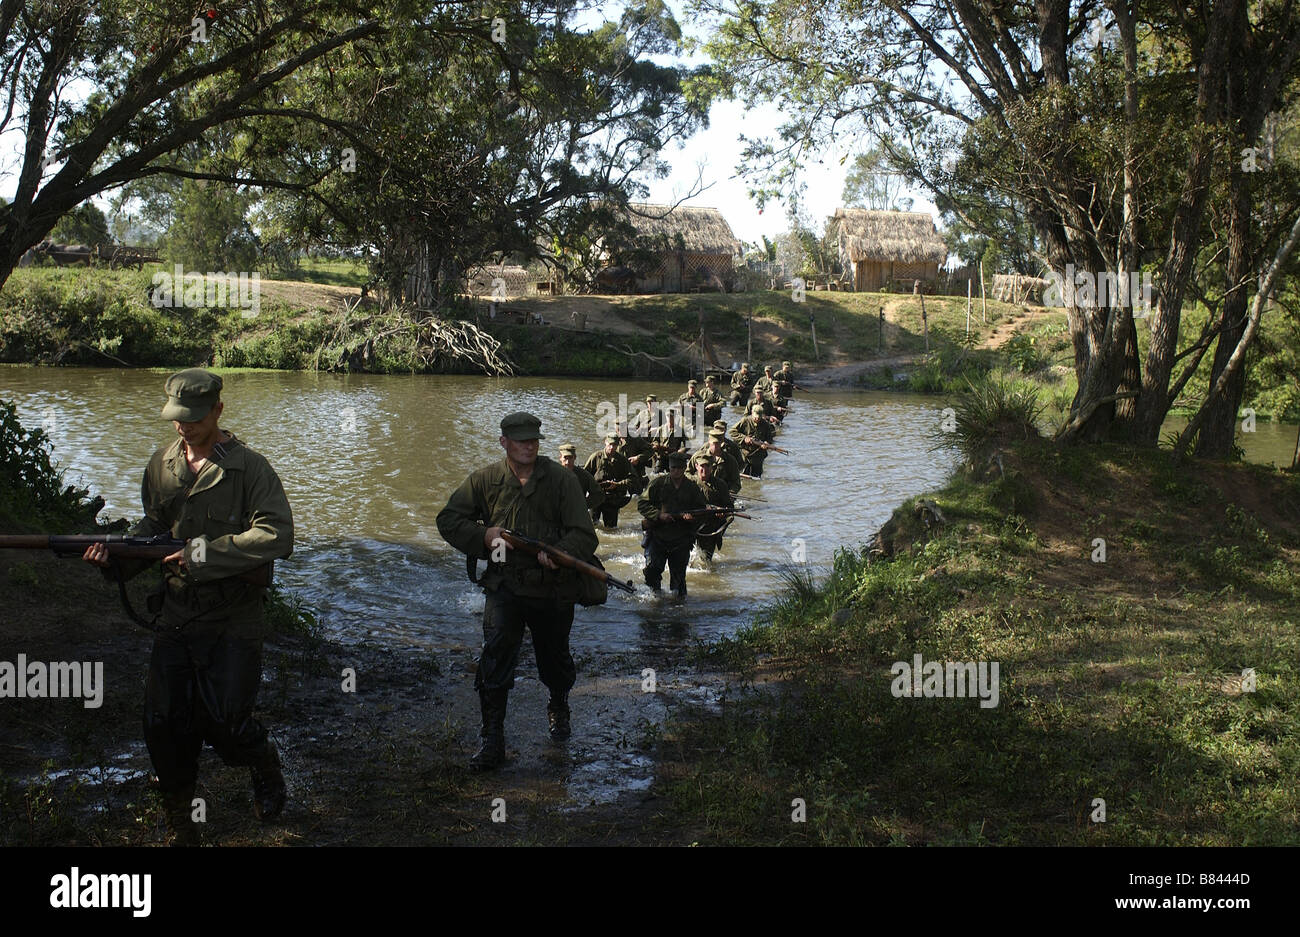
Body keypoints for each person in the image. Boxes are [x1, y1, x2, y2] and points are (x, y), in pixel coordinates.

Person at [82, 368, 294, 845]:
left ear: (218, 410)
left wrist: (205, 554)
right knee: (162, 725)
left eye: (194, 418)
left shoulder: (251, 469)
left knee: (228, 725)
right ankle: (182, 824)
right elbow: (154, 530)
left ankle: (263, 764)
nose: (184, 427)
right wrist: (115, 559)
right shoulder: (162, 464)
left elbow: (276, 535)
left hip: (233, 619)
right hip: (176, 615)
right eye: (177, 418)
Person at [436, 412, 599, 770]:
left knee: (555, 658)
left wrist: (560, 554)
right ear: (504, 442)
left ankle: (559, 706)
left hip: (553, 589)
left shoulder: (561, 480)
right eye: (521, 439)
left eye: (534, 439)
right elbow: (448, 520)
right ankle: (492, 740)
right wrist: (485, 536)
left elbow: (585, 535)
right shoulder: (485, 480)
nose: (529, 445)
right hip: (504, 587)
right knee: (494, 659)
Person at [637, 450, 707, 598]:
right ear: (669, 468)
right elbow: (642, 504)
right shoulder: (658, 483)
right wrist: (658, 515)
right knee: (652, 572)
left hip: (681, 540)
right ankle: (654, 600)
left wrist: (691, 519)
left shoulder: (692, 488)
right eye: (673, 468)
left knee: (679, 581)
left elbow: (701, 512)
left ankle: (677, 609)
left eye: (679, 468)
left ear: (684, 469)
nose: (676, 471)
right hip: (657, 537)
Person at [584, 434, 636, 528]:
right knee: (591, 526)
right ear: (605, 442)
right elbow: (584, 477)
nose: (612, 447)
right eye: (610, 444)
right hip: (595, 497)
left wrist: (618, 484)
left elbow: (633, 479)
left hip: (612, 499)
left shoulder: (622, 461)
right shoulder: (595, 457)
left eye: (615, 445)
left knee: (611, 529)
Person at [692, 457, 734, 562]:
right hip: (689, 525)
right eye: (702, 466)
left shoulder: (720, 485)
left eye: (707, 466)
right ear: (696, 466)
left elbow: (729, 507)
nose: (704, 470)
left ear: (712, 468)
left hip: (710, 528)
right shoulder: (688, 482)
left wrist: (722, 513)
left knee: (705, 561)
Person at [691, 428, 742, 495]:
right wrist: (696, 482)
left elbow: (736, 483)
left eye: (717, 443)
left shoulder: (730, 460)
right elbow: (687, 473)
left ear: (722, 443)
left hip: (721, 494)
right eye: (713, 443)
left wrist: (731, 493)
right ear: (709, 442)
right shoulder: (698, 456)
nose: (715, 446)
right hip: (700, 493)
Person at [559, 443, 604, 515]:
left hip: (577, 515)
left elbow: (599, 495)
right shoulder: (552, 474)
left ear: (575, 457)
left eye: (570, 457)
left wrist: (582, 504)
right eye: (565, 458)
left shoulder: (584, 475)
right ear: (560, 457)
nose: (567, 462)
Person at [731, 409, 776, 477]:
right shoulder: (745, 420)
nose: (757, 419)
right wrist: (744, 438)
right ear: (752, 414)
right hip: (745, 454)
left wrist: (766, 443)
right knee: (743, 476)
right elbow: (732, 432)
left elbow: (770, 438)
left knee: (757, 477)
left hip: (759, 456)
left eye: (759, 417)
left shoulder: (765, 424)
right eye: (755, 417)